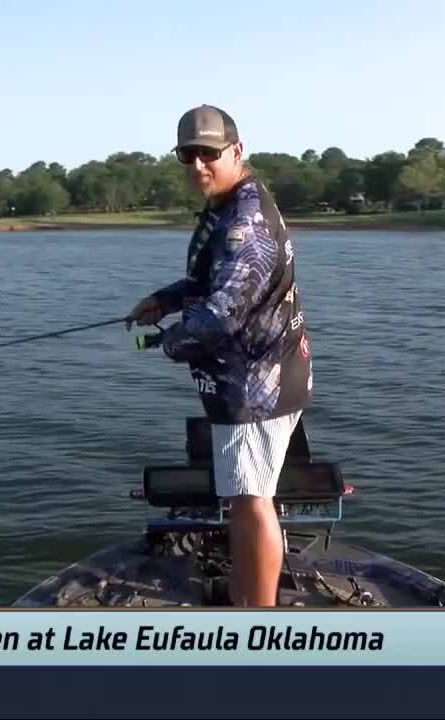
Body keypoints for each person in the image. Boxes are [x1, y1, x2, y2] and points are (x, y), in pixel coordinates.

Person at [126, 104, 313, 607]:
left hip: (254, 387)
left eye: (209, 154)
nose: (197, 165)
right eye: (187, 155)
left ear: (237, 150)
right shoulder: (228, 204)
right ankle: (250, 600)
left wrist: (171, 342)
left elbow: (222, 314)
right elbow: (214, 279)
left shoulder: (244, 222)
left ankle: (257, 617)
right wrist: (166, 299)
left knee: (252, 503)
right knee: (248, 498)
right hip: (254, 377)